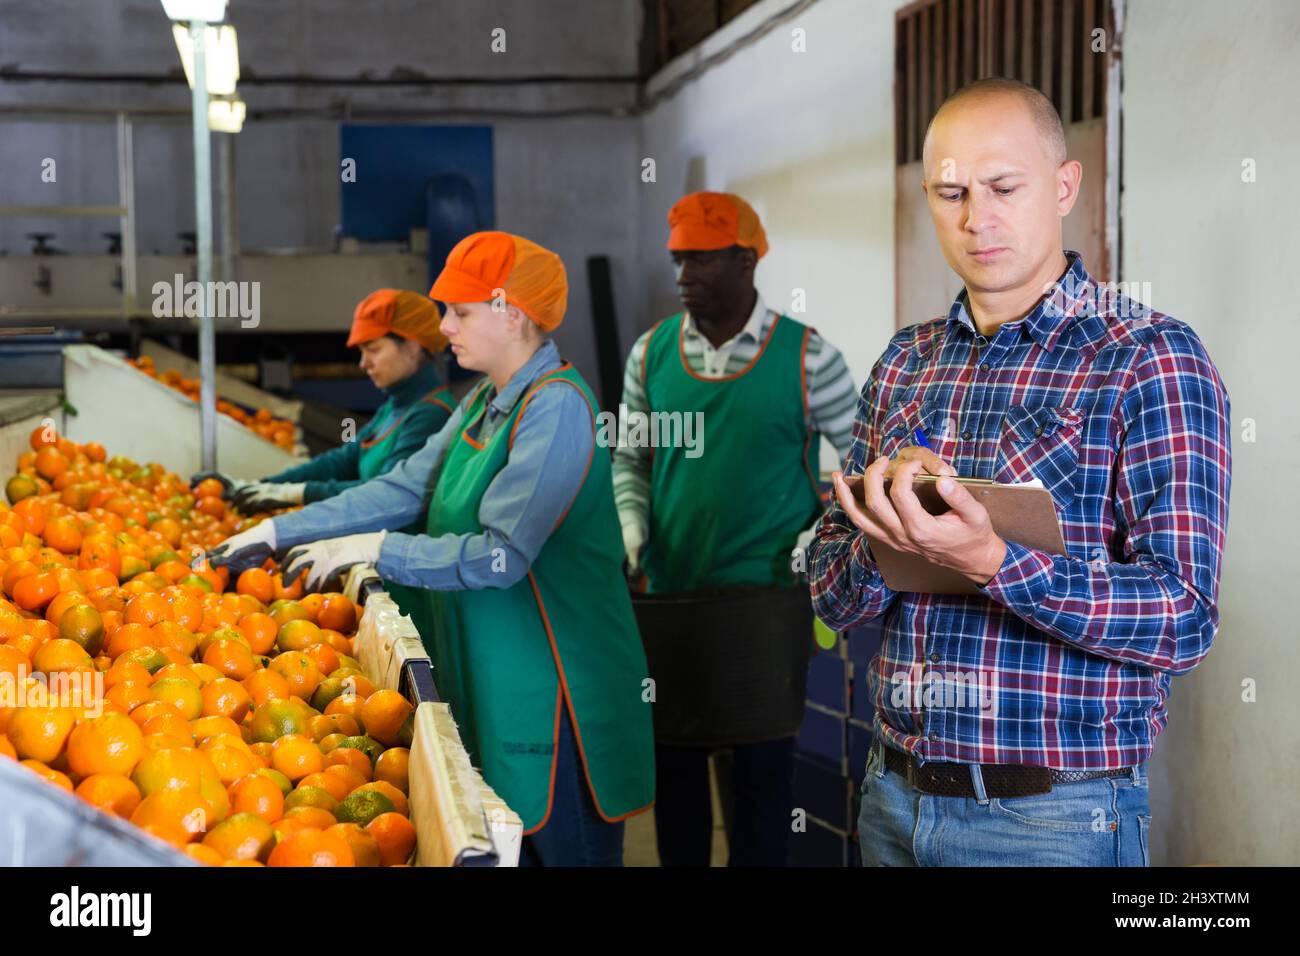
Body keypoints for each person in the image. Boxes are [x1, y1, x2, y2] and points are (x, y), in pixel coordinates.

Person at [809, 78, 1231, 867]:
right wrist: (885, 535)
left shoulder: (1147, 359)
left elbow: (1184, 615)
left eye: (1004, 187)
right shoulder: (906, 361)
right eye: (950, 192)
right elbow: (830, 591)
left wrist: (996, 563)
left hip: (1054, 820)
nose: (977, 218)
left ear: (1064, 186)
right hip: (893, 796)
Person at [208, 231, 655, 866]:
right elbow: (402, 487)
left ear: (514, 313)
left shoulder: (555, 409)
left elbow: (501, 556)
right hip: (500, 672)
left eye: (461, 312)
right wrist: (281, 530)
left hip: (557, 693)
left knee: (562, 849)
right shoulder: (486, 402)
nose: (443, 327)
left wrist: (375, 549)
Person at [614, 191, 858, 866]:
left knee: (760, 797)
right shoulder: (650, 355)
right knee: (679, 794)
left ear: (747, 259)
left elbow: (866, 472)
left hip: (764, 606)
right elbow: (630, 457)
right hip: (671, 603)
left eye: (701, 259)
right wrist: (632, 531)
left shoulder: (809, 361)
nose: (684, 275)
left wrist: (819, 544)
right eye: (678, 260)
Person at [197, 289, 455, 513]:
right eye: (362, 352)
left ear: (412, 347)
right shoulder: (395, 405)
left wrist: (295, 494)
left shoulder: (431, 415)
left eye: (373, 350)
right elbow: (342, 461)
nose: (363, 364)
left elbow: (384, 493)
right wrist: (263, 485)